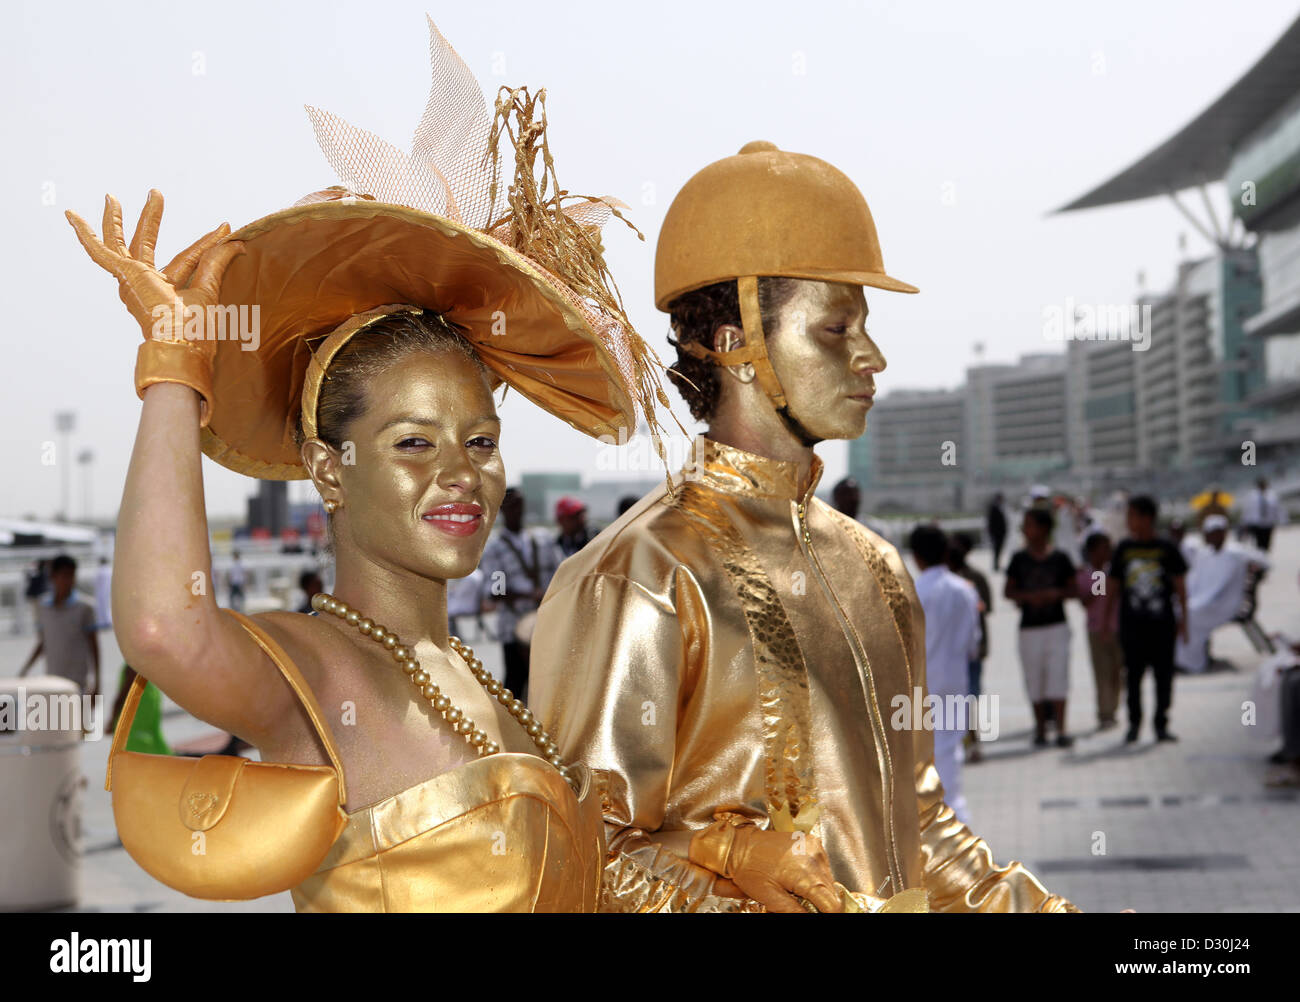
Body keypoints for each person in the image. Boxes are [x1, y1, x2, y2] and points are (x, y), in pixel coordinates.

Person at [63, 16, 669, 912]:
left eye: (483, 442)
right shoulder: (309, 674)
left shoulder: (476, 674)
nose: (462, 474)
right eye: (413, 444)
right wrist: (174, 368)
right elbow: (163, 631)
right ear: (331, 469)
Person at [530, 140, 1076, 912]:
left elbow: (918, 827)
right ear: (736, 347)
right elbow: (585, 864)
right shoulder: (638, 576)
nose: (873, 356)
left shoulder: (878, 568)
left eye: (867, 327)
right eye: (836, 329)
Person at [911, 526, 979, 826]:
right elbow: (973, 643)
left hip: (921, 684)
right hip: (954, 679)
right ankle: (953, 815)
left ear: (915, 557)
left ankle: (940, 818)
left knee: (921, 755)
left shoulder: (912, 591)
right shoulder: (965, 589)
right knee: (949, 750)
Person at [1107, 495, 1188, 744]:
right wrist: (1102, 615)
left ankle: (1161, 724)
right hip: (1132, 627)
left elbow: (1180, 586)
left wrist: (1185, 620)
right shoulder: (1123, 549)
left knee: (1164, 677)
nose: (1128, 521)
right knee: (1132, 678)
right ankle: (1134, 725)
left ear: (1147, 518)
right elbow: (1111, 584)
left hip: (1162, 625)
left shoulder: (1166, 548)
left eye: (1132, 515)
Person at [1005, 508, 1078, 748]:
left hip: (1056, 625)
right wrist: (1028, 597)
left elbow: (1074, 588)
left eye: (1030, 525)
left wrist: (1054, 594)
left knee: (1058, 677)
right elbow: (1008, 590)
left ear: (1044, 528)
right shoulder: (1019, 559)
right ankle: (1039, 729)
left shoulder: (1060, 558)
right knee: (1034, 678)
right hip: (1029, 628)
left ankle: (1061, 729)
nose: (1026, 530)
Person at [479, 488, 561, 699]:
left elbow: (561, 572)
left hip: (544, 623)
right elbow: (496, 591)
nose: (518, 509)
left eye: (520, 504)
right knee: (515, 684)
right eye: (512, 505)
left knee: (548, 683)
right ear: (502, 509)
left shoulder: (543, 539)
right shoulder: (495, 548)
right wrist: (528, 595)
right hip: (512, 627)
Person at [1175, 514, 1269, 673]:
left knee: (1189, 614)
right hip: (1204, 601)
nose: (1210, 536)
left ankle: (1193, 662)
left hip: (1226, 604)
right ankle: (1181, 658)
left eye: (1215, 532)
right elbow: (1195, 582)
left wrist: (1256, 570)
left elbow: (1264, 561)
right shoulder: (1204, 554)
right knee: (1178, 609)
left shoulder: (1236, 552)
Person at [19, 554, 101, 705]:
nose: (68, 581)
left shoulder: (85, 608)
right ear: (53, 577)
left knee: (77, 726)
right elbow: (43, 642)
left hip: (78, 682)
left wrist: (97, 682)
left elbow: (94, 646)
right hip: (53, 682)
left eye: (71, 575)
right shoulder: (43, 607)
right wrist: (25, 669)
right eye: (64, 575)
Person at [947, 531, 991, 761]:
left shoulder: (974, 579)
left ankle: (972, 743)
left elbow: (986, 608)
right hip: (952, 653)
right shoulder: (950, 584)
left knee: (969, 698)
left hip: (970, 652)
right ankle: (965, 743)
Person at [1076, 532, 1122, 729]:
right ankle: (1105, 713)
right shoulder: (1086, 574)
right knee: (1102, 673)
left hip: (1117, 628)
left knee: (1117, 672)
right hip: (1097, 630)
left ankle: (1113, 708)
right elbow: (1087, 601)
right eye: (1104, 548)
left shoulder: (1115, 572)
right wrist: (1100, 578)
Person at [1241, 477, 1285, 553]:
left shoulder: (1272, 495)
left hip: (1268, 523)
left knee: (1266, 543)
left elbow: (1278, 509)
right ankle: (1260, 557)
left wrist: (1282, 520)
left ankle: (1264, 556)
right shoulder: (1252, 496)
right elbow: (1247, 510)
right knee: (1258, 543)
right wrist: (1245, 522)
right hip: (1257, 524)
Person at [986, 493, 1008, 572]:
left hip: (1001, 533)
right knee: (996, 549)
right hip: (996, 533)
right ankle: (995, 565)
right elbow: (991, 521)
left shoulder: (1000, 507)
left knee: (999, 549)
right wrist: (991, 533)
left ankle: (997, 564)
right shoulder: (994, 507)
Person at [94, 557, 113, 629]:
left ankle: (104, 621)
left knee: (102, 607)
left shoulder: (100, 571)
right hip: (109, 591)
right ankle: (109, 620)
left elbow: (96, 583)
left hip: (101, 591)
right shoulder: (110, 570)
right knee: (108, 606)